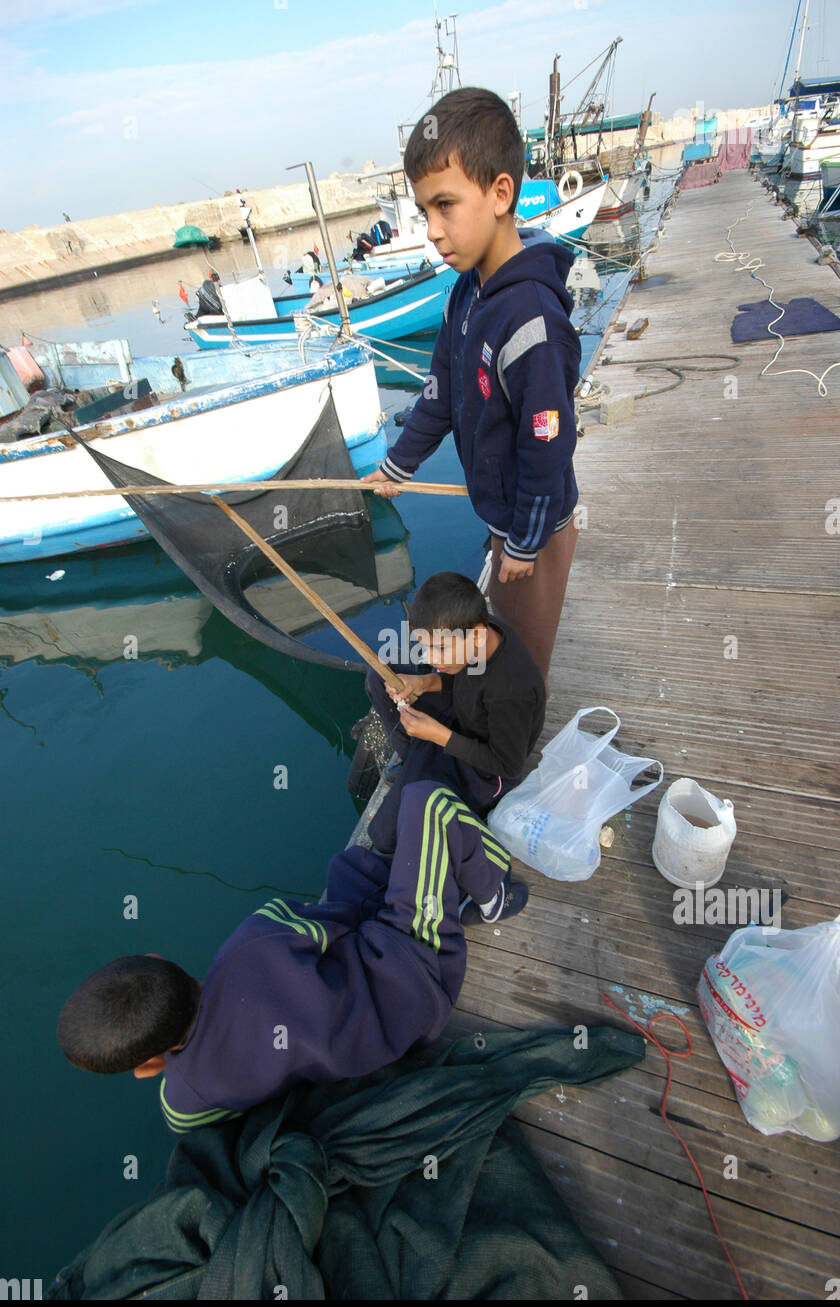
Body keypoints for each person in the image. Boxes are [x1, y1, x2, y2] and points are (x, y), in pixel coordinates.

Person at [56, 782, 529, 1134]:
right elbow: (339, 922)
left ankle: (443, 888)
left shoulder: (184, 1103)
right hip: (419, 979)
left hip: (372, 1045)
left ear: (148, 1068)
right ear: (154, 955)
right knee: (427, 802)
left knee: (353, 868)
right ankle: (491, 896)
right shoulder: (253, 941)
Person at [364, 87, 582, 682]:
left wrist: (524, 543)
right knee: (500, 635)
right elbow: (441, 389)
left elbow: (547, 446)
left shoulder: (532, 321)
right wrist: (399, 464)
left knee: (520, 665)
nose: (433, 230)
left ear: (501, 193)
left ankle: (511, 756)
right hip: (502, 519)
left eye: (445, 206)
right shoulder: (466, 293)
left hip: (532, 524)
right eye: (423, 212)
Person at [366, 570, 545, 855]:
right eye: (425, 646)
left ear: (476, 635)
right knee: (381, 676)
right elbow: (464, 682)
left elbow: (508, 766)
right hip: (463, 718)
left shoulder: (511, 690)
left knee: (386, 837)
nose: (431, 659)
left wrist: (439, 736)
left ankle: (425, 760)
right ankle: (417, 756)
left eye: (439, 648)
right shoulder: (476, 635)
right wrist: (424, 682)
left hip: (486, 771)